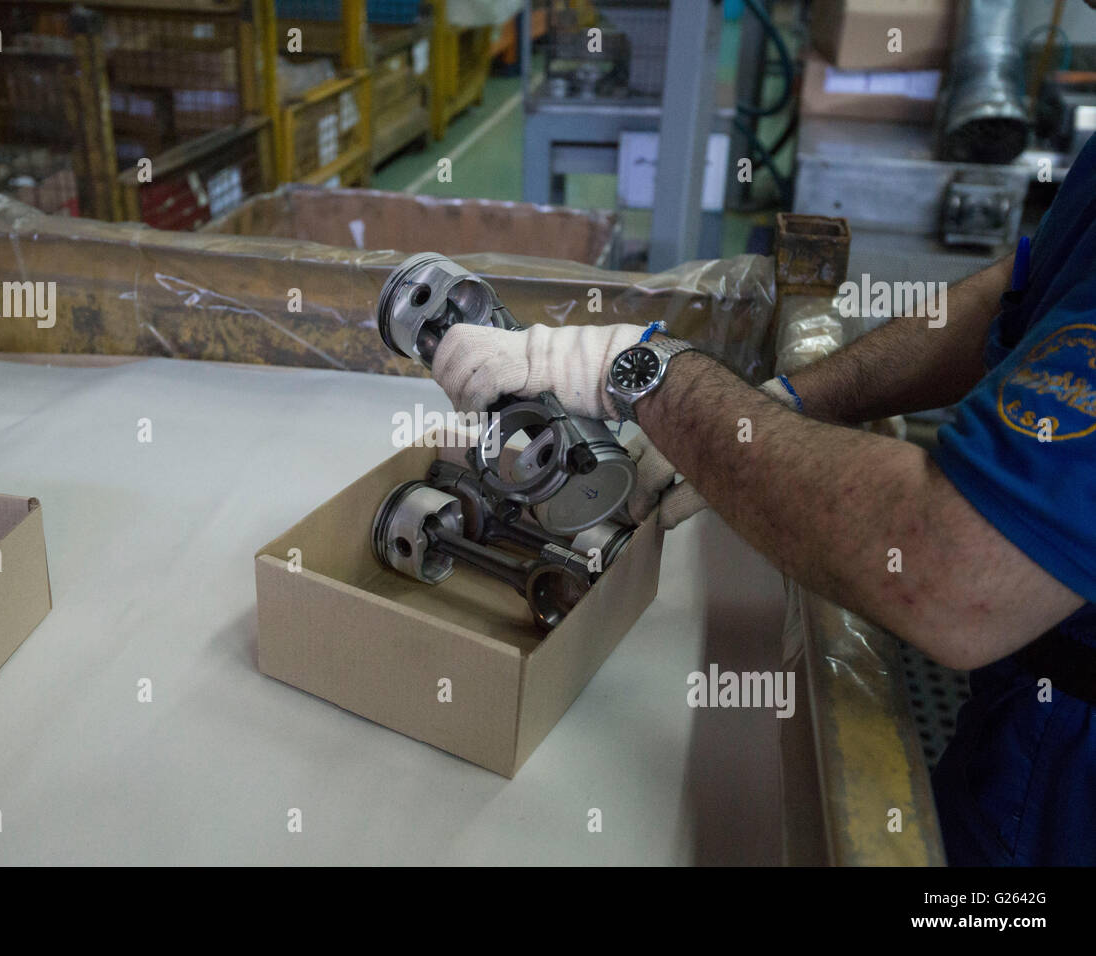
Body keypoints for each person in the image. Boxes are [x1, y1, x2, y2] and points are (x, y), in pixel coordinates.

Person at [428, 130, 1096, 866]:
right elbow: (1026, 294)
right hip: (1024, 701)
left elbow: (954, 570)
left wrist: (640, 374)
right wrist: (787, 403)